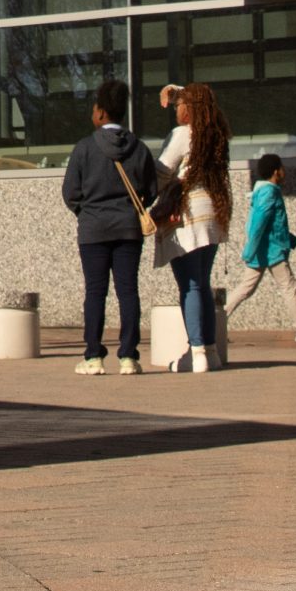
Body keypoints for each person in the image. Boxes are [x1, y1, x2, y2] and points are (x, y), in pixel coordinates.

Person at [62, 80, 159, 375]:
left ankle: (93, 356)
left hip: (93, 229)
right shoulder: (139, 148)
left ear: (101, 112)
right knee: (128, 291)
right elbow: (151, 190)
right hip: (128, 227)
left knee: (95, 292)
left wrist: (86, 212)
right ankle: (128, 356)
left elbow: (70, 193)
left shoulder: (84, 148)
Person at [153, 83, 231, 372]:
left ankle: (195, 351)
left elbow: (162, 172)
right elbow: (203, 96)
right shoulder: (216, 136)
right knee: (202, 283)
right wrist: (179, 90)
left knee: (189, 285)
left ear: (189, 108)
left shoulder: (182, 135)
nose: (176, 108)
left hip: (185, 214)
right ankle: (209, 351)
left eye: (179, 104)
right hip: (212, 214)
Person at [227, 153, 296, 343]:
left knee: (246, 288)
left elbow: (273, 224)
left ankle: (214, 324)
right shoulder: (269, 192)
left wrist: (290, 240)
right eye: (282, 167)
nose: (284, 171)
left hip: (266, 249)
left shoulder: (265, 191)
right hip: (270, 251)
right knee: (289, 287)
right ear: (275, 171)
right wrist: (249, 250)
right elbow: (259, 224)